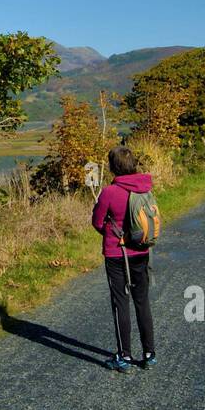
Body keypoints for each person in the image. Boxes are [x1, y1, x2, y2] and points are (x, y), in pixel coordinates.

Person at [91, 145, 156, 372]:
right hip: (141, 251)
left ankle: (124, 357)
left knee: (121, 304)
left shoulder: (109, 192)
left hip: (116, 254)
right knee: (142, 301)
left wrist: (111, 231)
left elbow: (98, 222)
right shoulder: (145, 187)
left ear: (113, 167)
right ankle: (149, 353)